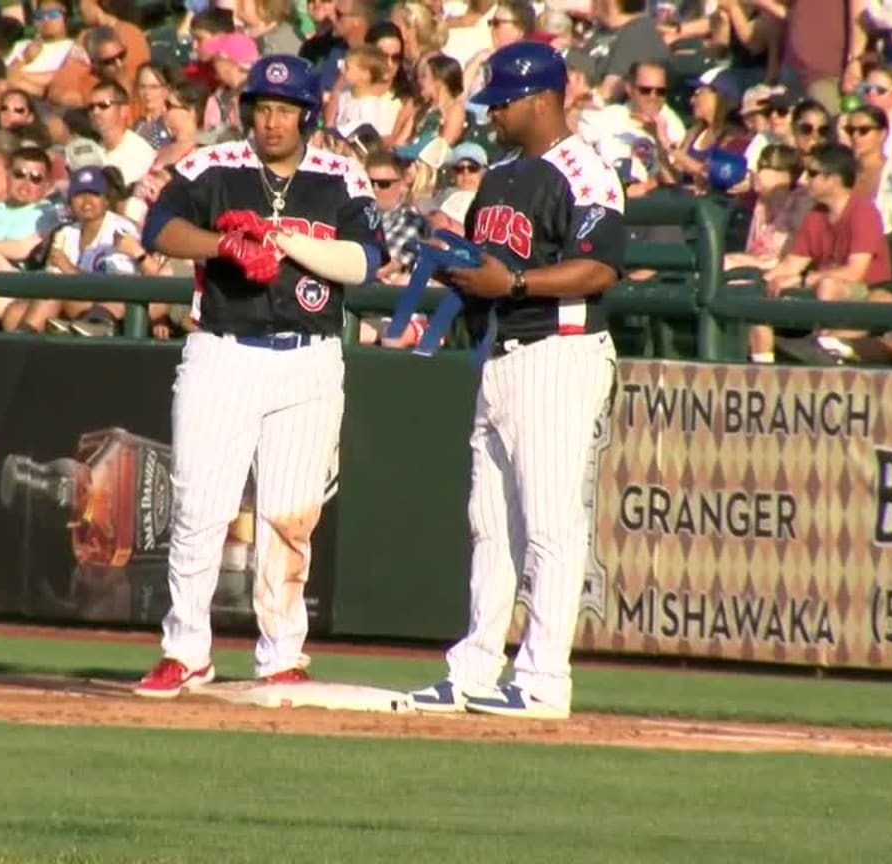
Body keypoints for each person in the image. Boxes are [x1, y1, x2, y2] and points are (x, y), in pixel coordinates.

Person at [133, 54, 389, 698]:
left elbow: (365, 261)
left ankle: (281, 652)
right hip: (223, 349)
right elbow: (159, 229)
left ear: (308, 115)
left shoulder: (339, 175)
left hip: (309, 356)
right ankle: (185, 649)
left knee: (288, 516)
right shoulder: (213, 166)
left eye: (286, 109)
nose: (273, 121)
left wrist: (282, 242)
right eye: (263, 108)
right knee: (200, 508)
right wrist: (222, 244)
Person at [408, 40, 624, 720]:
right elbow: (490, 266)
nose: (493, 114)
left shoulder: (586, 172)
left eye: (503, 102)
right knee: (490, 523)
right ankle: (474, 668)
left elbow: (599, 268)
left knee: (550, 524)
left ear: (541, 99)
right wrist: (460, 270)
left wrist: (516, 283)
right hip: (502, 355)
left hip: (562, 352)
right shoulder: (499, 176)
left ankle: (542, 680)